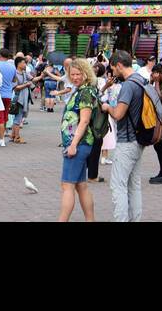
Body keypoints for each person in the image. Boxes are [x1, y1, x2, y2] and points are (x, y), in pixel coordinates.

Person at [101, 50, 162, 223]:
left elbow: (119, 114)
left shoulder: (128, 85)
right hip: (140, 139)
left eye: (113, 69)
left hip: (127, 140)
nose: (112, 73)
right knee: (134, 185)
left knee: (118, 185)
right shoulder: (142, 80)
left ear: (119, 65)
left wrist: (107, 108)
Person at [58, 58, 99, 222]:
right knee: (81, 185)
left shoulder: (85, 92)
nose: (75, 77)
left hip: (79, 144)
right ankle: (90, 220)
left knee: (67, 185)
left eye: (78, 74)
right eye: (72, 74)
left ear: (86, 73)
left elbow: (84, 120)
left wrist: (73, 144)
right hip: (78, 143)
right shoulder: (81, 90)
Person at [10, 56, 35, 144]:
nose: (25, 64)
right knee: (18, 117)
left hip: (24, 98)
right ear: (18, 64)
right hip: (18, 98)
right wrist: (26, 85)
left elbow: (33, 79)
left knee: (18, 117)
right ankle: (17, 137)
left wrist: (43, 75)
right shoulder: (15, 73)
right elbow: (15, 88)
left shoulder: (24, 73)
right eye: (24, 63)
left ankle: (13, 136)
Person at [0, 48, 17, 145]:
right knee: (4, 117)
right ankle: (1, 137)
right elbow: (14, 80)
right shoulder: (12, 67)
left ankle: (1, 139)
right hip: (8, 95)